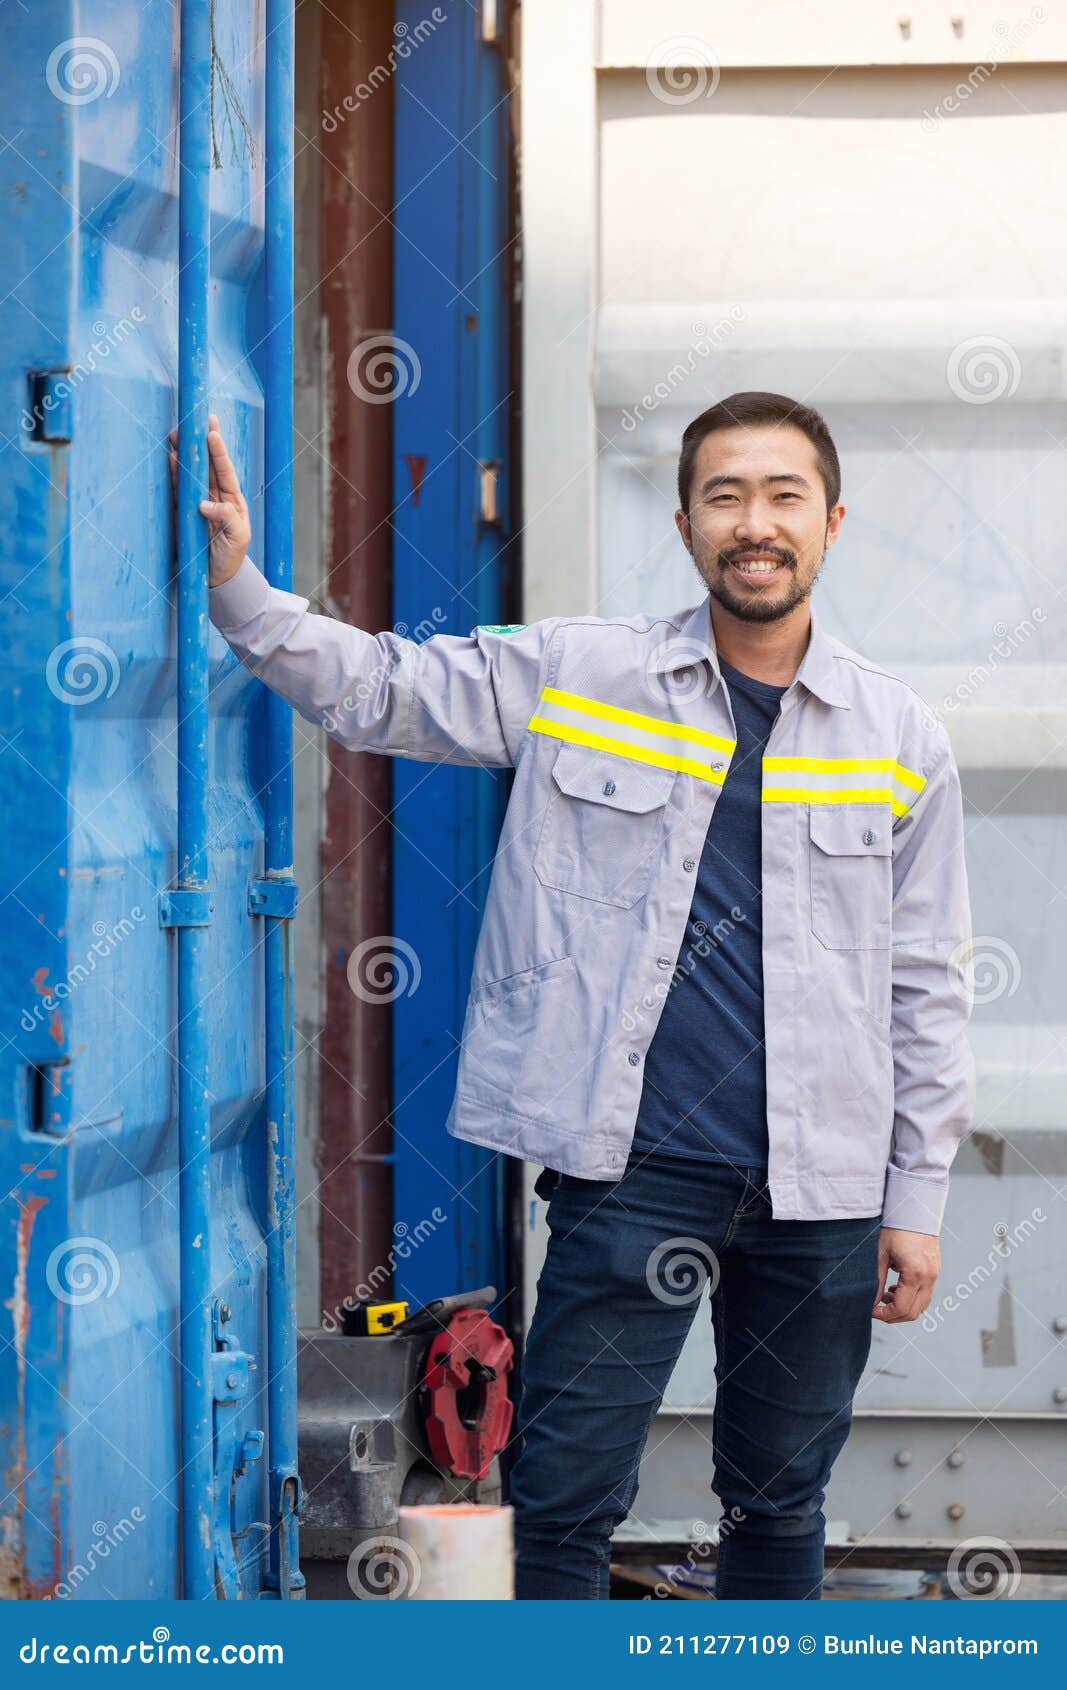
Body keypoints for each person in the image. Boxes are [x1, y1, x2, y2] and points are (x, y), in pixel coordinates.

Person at [170, 391, 975, 1600]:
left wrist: (914, 1194)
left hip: (828, 1182)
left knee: (779, 1497)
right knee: (559, 1499)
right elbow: (382, 688)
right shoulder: (582, 673)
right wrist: (242, 589)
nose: (753, 523)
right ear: (684, 521)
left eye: (782, 496)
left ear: (831, 521)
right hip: (635, 1169)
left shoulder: (898, 735)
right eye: (723, 495)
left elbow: (927, 981)